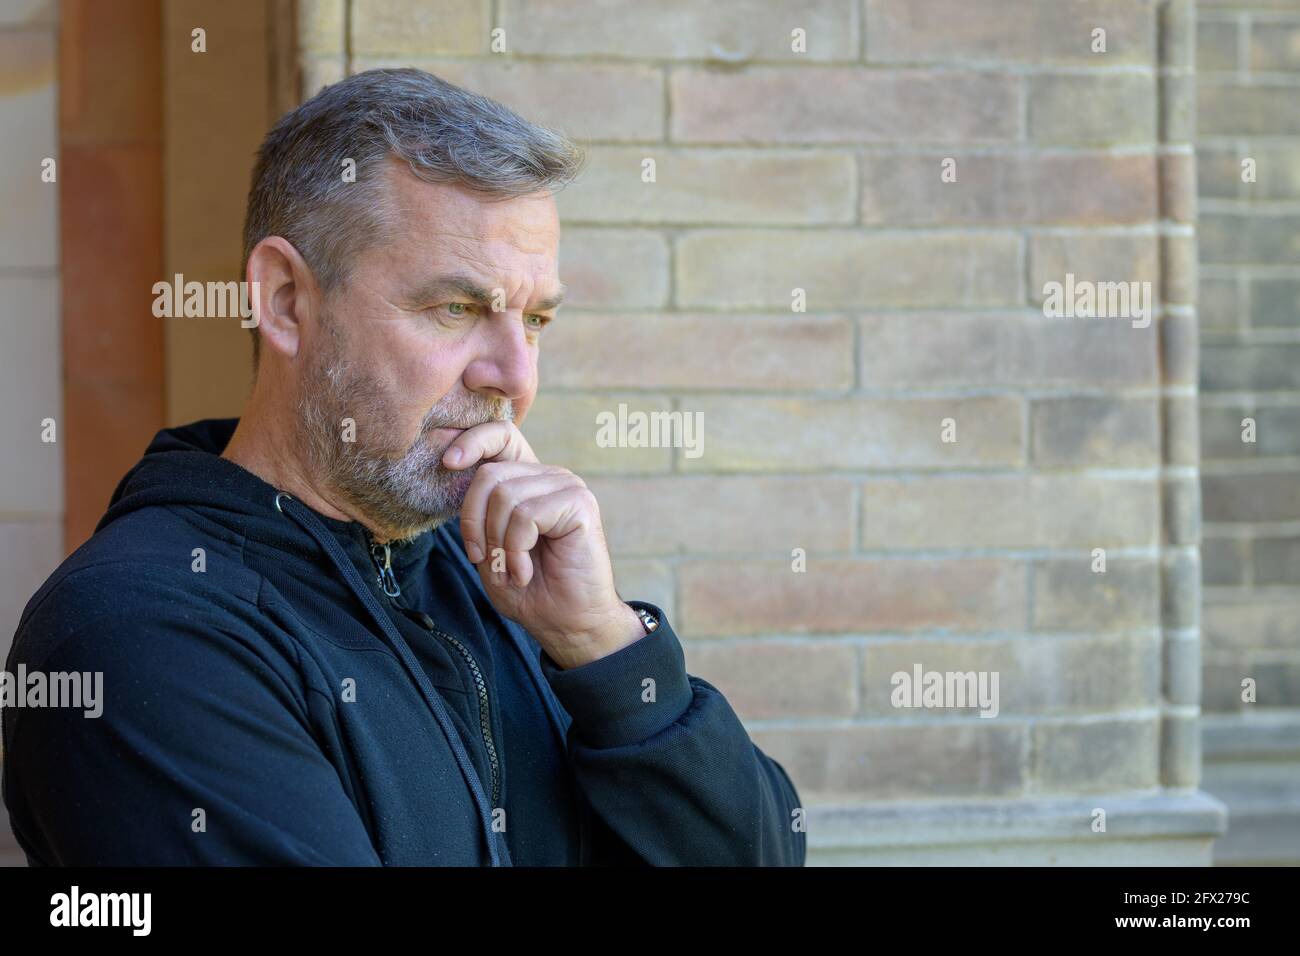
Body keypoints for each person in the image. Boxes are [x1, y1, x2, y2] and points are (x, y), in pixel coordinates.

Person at [2, 68, 805, 866]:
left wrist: (605, 650)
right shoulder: (135, 633)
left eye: (536, 319)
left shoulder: (509, 583)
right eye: (456, 309)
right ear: (284, 300)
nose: (515, 376)